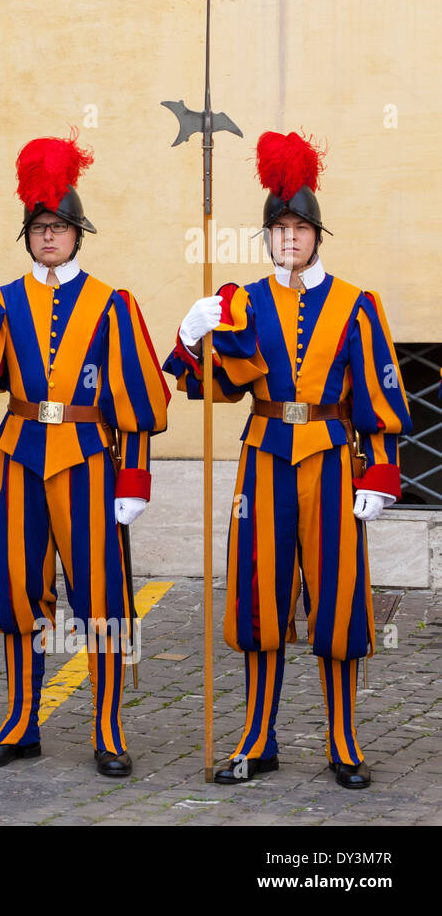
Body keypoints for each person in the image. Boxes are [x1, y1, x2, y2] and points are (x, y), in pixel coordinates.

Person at [164, 130, 411, 790]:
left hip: (332, 461)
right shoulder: (242, 301)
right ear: (267, 237)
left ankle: (344, 742)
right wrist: (193, 340)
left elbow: (379, 391)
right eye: (280, 229)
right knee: (259, 597)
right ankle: (257, 738)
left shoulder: (358, 303)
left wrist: (381, 474)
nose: (291, 238)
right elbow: (217, 387)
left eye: (301, 228)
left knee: (337, 599)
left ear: (317, 236)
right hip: (265, 457)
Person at [0, 133, 169, 777]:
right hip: (21, 453)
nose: (49, 237)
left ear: (77, 233)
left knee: (102, 596)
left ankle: (108, 727)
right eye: (39, 227)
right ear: (26, 234)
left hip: (89, 458)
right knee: (19, 592)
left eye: (59, 227)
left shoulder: (113, 303)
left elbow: (137, 394)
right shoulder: (1, 300)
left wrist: (134, 474)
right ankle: (21, 721)